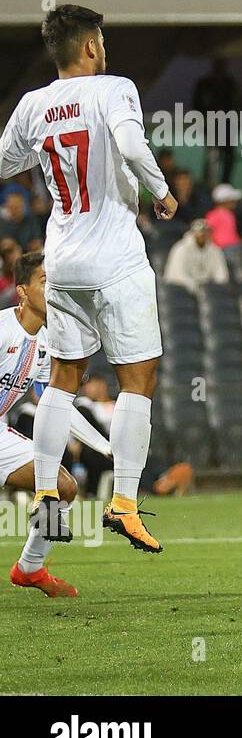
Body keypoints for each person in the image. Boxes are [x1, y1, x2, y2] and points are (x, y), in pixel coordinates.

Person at [0, 4, 177, 553]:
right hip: (114, 254)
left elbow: (6, 161)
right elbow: (129, 144)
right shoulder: (113, 88)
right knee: (138, 378)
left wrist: (43, 152)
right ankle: (124, 502)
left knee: (65, 376)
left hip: (63, 256)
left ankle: (47, 489)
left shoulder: (33, 103)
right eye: (101, 40)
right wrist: (162, 192)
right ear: (91, 48)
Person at [1, 255, 114, 597]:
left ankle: (30, 570)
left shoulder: (46, 344)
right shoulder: (2, 328)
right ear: (22, 291)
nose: (53, 289)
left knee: (62, 486)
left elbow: (56, 405)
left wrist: (106, 446)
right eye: (44, 281)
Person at [190, 59, 242, 185]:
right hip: (211, 125)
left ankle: (224, 183)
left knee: (226, 156)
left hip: (226, 125)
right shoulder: (205, 84)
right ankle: (210, 183)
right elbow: (197, 105)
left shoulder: (230, 84)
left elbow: (239, 105)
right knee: (212, 156)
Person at [163, 220, 230, 294]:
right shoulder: (181, 249)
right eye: (200, 232)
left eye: (205, 232)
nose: (202, 235)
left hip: (206, 290)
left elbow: (221, 275)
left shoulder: (215, 250)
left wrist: (215, 287)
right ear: (192, 233)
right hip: (181, 290)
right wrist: (195, 287)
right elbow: (178, 275)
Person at [205, 183, 242, 248]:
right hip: (222, 250)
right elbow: (208, 233)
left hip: (235, 248)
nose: (235, 201)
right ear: (224, 201)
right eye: (231, 199)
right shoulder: (213, 215)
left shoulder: (231, 214)